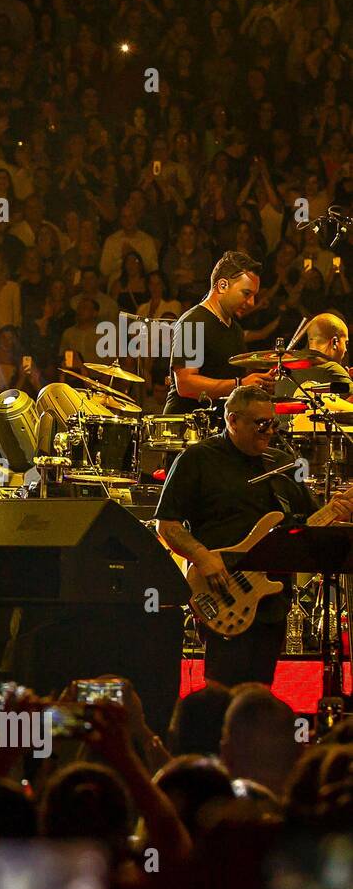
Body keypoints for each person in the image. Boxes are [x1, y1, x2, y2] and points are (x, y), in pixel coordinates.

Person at [154, 385, 353, 686]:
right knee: (222, 694)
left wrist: (338, 511)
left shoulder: (282, 463)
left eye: (272, 423)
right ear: (233, 421)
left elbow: (310, 523)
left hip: (272, 598)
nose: (269, 431)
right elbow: (166, 525)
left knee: (259, 694)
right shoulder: (198, 458)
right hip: (221, 590)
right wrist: (203, 557)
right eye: (261, 424)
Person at [164, 251, 271, 414]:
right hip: (186, 430)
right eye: (246, 293)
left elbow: (231, 377)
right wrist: (239, 385)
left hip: (218, 427)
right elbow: (185, 384)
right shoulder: (193, 322)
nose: (251, 303)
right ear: (222, 286)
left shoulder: (235, 329)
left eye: (254, 296)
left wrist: (258, 383)